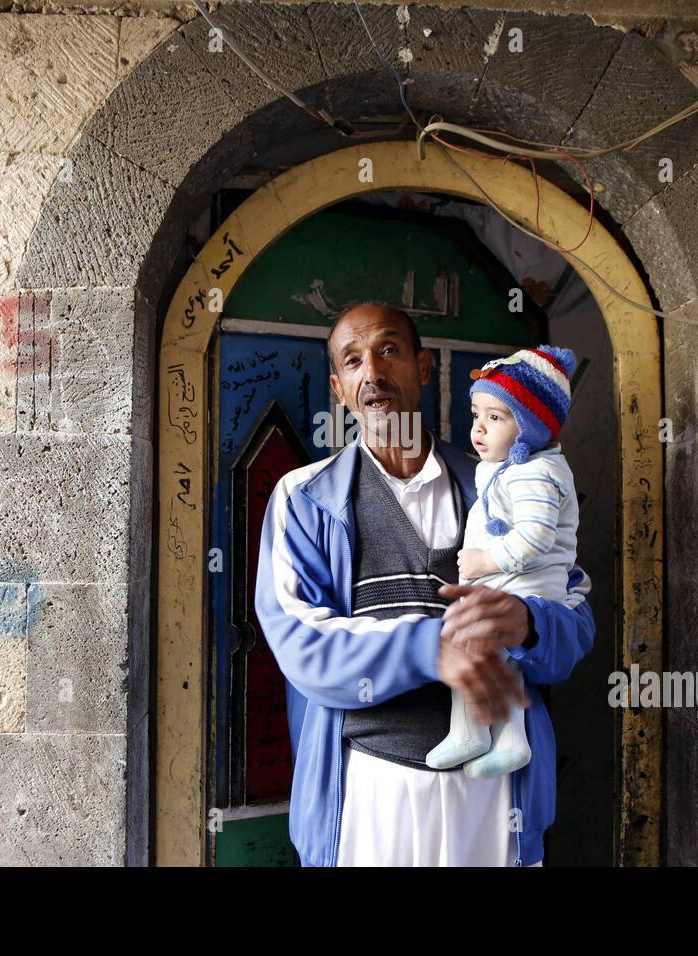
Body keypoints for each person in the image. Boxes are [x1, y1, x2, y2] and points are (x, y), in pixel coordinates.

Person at [253, 302, 596, 866]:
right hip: (366, 795)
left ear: (425, 366)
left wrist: (532, 623)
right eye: (354, 361)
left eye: (389, 350)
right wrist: (428, 649)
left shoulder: (499, 482)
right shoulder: (304, 498)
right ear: (340, 390)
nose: (374, 373)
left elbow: (576, 617)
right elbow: (302, 644)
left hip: (494, 798)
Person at [427, 345, 581, 780]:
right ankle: (511, 741)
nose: (479, 428)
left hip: (524, 584)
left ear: (530, 426)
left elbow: (534, 539)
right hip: (514, 583)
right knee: (500, 662)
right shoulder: (509, 467)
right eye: (477, 414)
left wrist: (483, 561)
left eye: (496, 417)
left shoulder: (534, 473)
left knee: (465, 640)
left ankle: (469, 733)